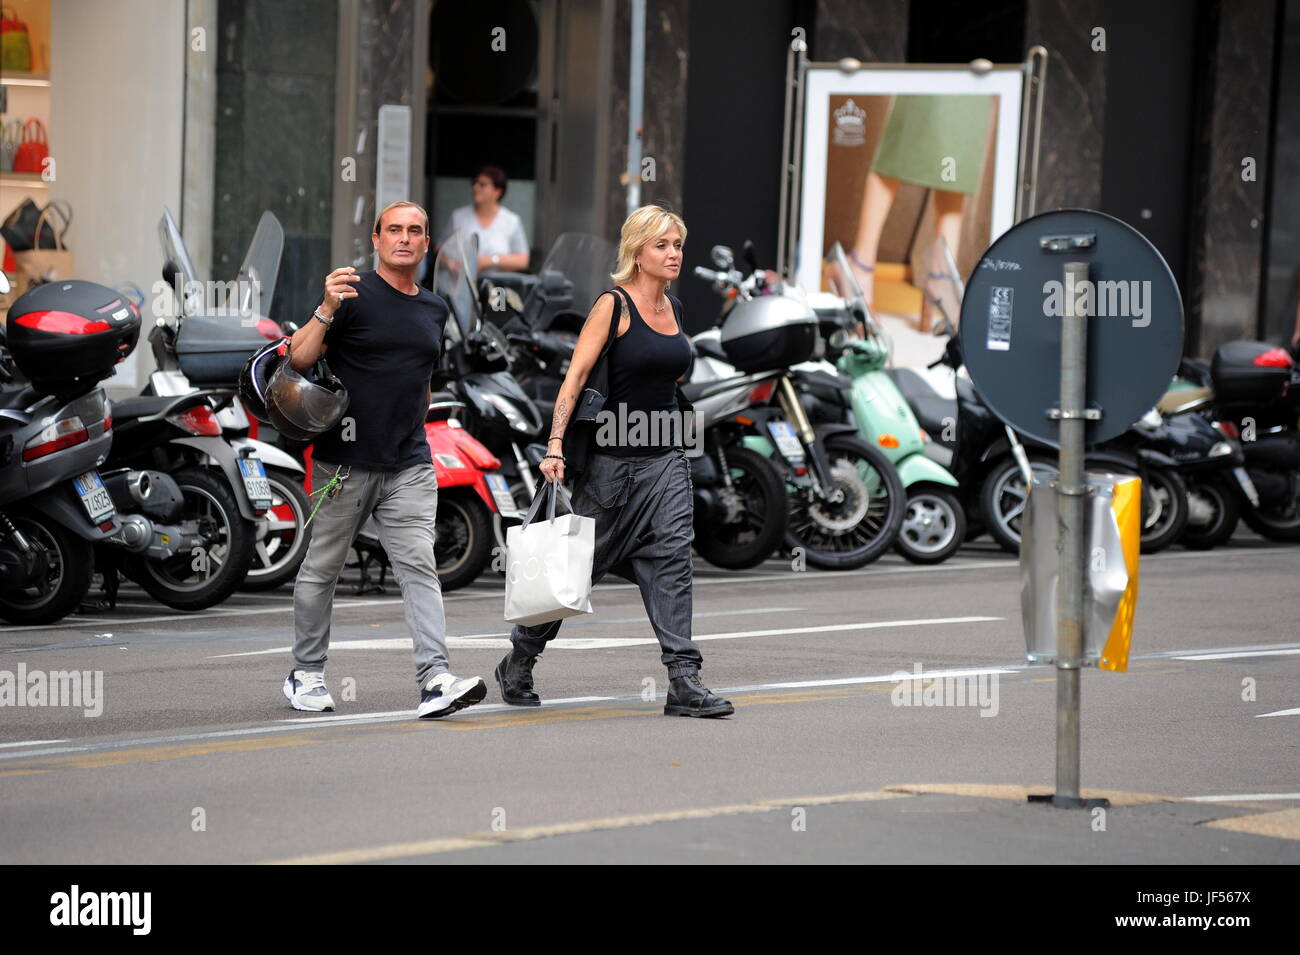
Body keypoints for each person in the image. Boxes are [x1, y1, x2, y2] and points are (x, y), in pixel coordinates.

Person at [494, 205, 734, 718]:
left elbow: (669, 384)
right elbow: (575, 378)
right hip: (610, 465)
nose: (673, 255)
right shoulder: (613, 305)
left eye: (677, 245)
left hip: (667, 456)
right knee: (575, 571)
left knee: (673, 562)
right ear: (637, 252)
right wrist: (555, 445)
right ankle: (520, 659)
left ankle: (683, 680)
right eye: (662, 246)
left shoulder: (676, 309)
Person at [281, 199, 487, 720]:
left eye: (414, 230)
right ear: (376, 240)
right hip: (344, 461)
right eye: (393, 229)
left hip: (409, 463)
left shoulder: (434, 309)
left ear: (425, 243)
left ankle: (435, 678)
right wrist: (325, 307)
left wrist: (414, 431)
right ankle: (305, 674)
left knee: (419, 565)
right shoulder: (350, 295)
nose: (403, 238)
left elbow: (421, 382)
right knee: (322, 567)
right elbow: (299, 358)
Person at [435, 165, 530, 275]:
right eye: (474, 183)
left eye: (482, 184)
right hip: (457, 286)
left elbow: (523, 260)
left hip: (496, 287)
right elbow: (439, 249)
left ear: (498, 191)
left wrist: (490, 260)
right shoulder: (458, 216)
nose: (475, 188)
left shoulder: (512, 221)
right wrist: (451, 264)